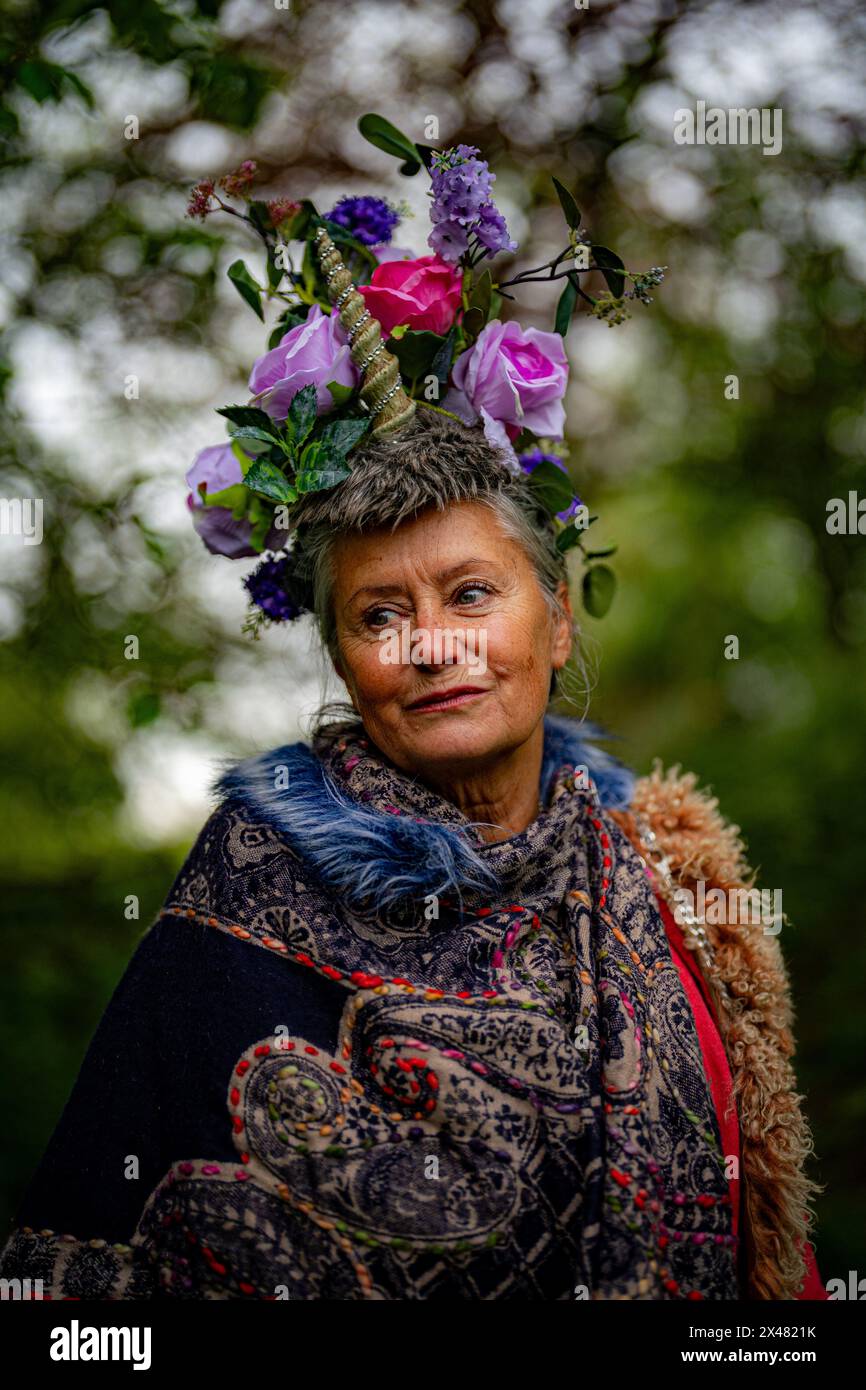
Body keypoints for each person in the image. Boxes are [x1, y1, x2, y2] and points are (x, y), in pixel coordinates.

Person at [0, 139, 826, 1300]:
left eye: (471, 594)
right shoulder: (247, 884)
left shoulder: (672, 890)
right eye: (380, 613)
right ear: (340, 655)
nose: (431, 642)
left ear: (556, 624)